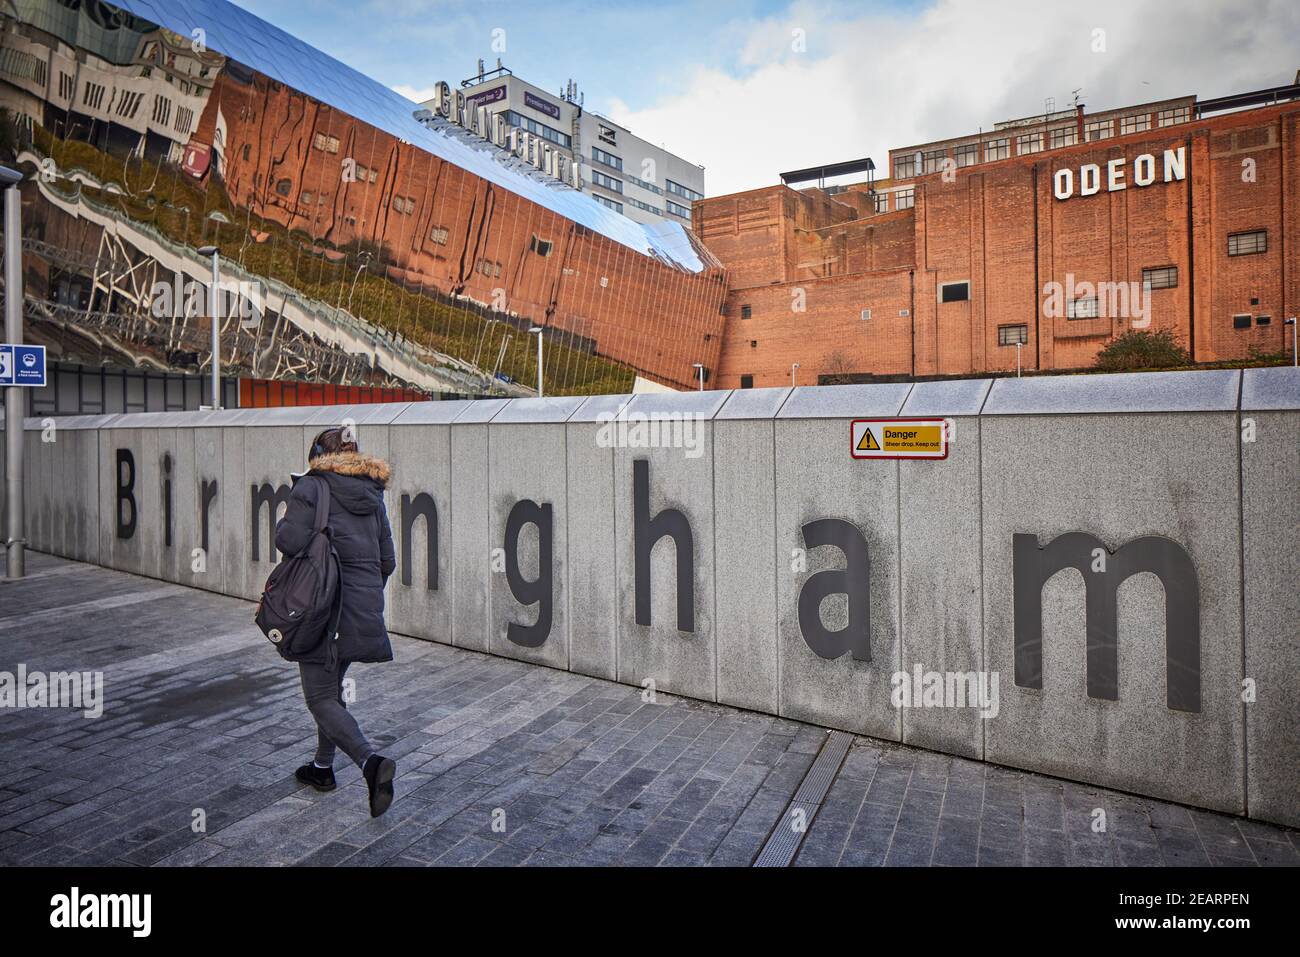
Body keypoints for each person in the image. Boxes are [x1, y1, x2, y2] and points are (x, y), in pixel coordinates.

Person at [274, 426, 398, 817]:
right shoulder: (371, 493)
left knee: (319, 698)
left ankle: (369, 763)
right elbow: (387, 560)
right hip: (361, 608)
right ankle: (322, 768)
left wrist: (287, 515)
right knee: (331, 690)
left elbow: (289, 542)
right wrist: (364, 594)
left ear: (317, 456)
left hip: (321, 609)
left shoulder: (311, 488)